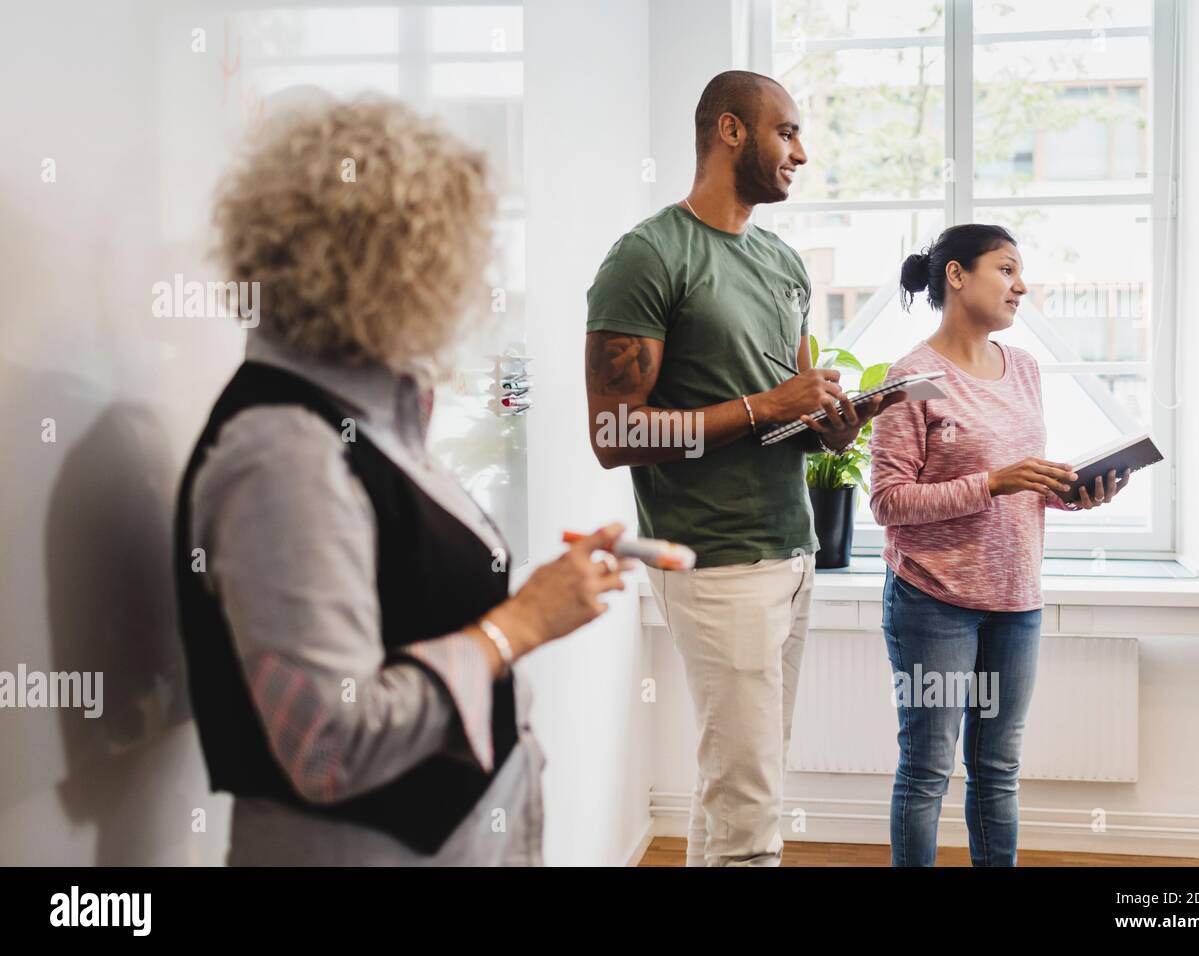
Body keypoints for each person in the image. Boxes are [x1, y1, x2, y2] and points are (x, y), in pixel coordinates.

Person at [174, 96, 632, 866]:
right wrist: (519, 623)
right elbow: (329, 742)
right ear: (392, 265)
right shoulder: (283, 452)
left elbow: (400, 595)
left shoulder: (371, 417)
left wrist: (547, 587)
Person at [584, 70, 900, 866]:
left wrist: (834, 422)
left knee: (738, 782)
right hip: (713, 557)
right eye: (786, 132)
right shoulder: (649, 254)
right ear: (730, 131)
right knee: (752, 805)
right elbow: (614, 431)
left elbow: (795, 409)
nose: (802, 151)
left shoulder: (785, 264)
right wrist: (768, 405)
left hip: (793, 552)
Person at [869, 223, 1131, 866]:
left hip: (1016, 598)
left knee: (997, 768)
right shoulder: (915, 378)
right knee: (928, 766)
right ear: (956, 275)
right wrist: (991, 482)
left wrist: (1068, 491)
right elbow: (888, 502)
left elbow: (1018, 483)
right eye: (1006, 269)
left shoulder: (1025, 370)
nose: (1022, 285)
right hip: (933, 599)